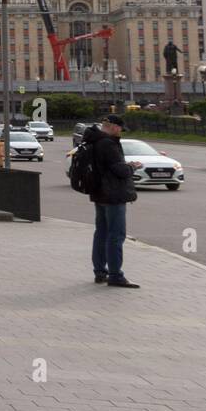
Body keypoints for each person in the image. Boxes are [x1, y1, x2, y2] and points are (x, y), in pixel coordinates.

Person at [87, 115, 140, 288]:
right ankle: (115, 275)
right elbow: (120, 171)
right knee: (116, 235)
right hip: (113, 195)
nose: (120, 133)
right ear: (115, 127)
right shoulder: (108, 144)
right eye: (120, 129)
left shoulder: (94, 140)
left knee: (101, 233)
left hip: (99, 193)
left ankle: (100, 272)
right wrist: (132, 166)